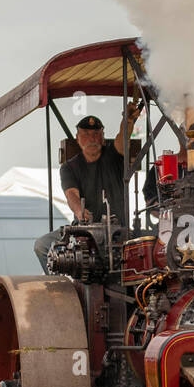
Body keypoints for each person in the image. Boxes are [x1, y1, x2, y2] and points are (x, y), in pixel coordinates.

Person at [34, 100, 141, 273]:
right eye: (86, 134)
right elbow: (71, 194)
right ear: (78, 138)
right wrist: (79, 211)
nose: (91, 138)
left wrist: (128, 121)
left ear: (103, 137)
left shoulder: (114, 156)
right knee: (42, 245)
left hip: (117, 230)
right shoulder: (69, 167)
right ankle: (61, 288)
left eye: (96, 134)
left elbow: (122, 139)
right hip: (82, 230)